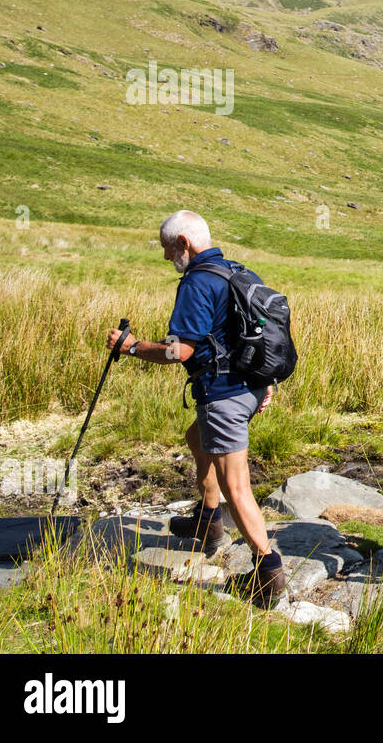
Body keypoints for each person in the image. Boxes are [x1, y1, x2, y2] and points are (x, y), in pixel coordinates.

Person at [105, 210, 284, 606]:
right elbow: (255, 331)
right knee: (195, 436)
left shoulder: (198, 282)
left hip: (223, 395)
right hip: (245, 388)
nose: (167, 257)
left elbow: (178, 350)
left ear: (183, 243)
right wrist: (264, 380)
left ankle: (267, 571)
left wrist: (130, 347)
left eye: (168, 250)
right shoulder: (234, 271)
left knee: (236, 486)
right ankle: (208, 520)